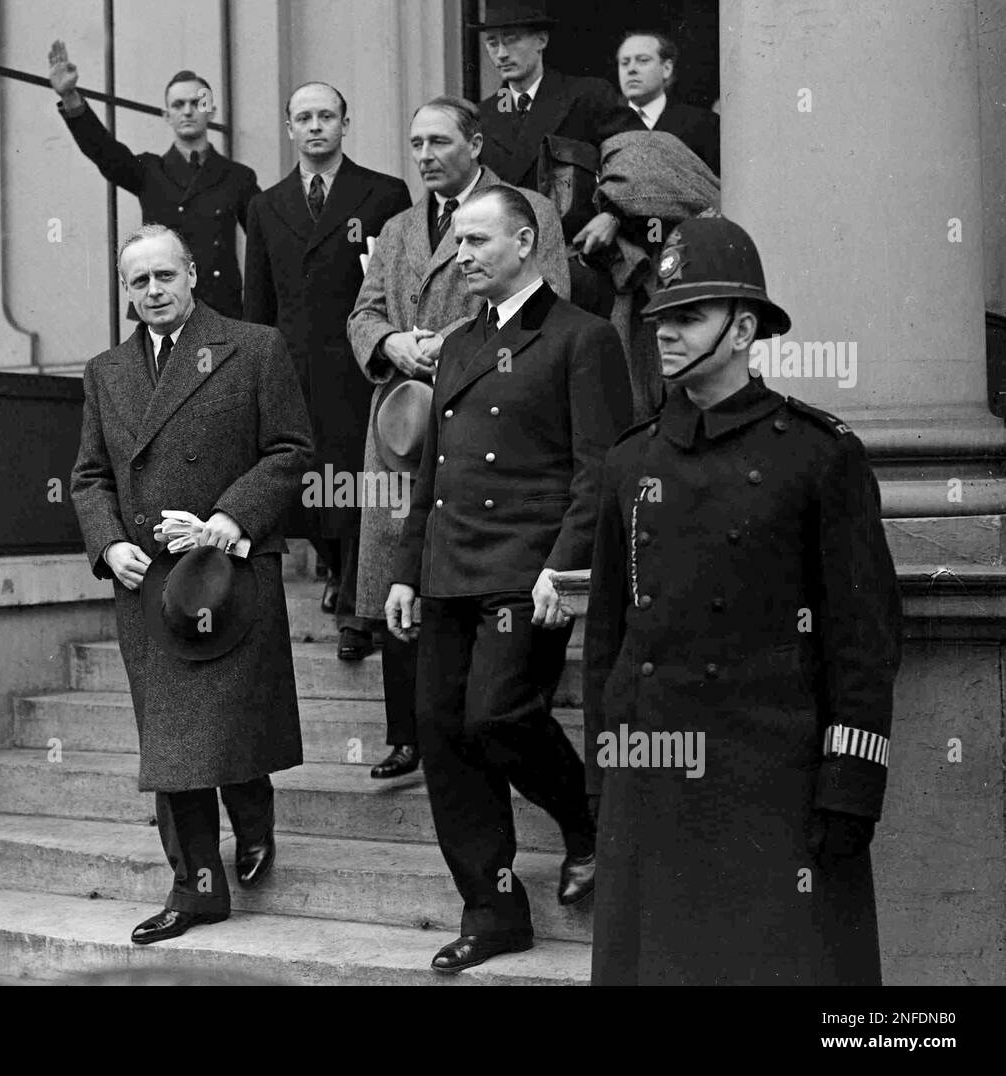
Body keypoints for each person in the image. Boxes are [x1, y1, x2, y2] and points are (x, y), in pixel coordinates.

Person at [582, 216, 902, 984]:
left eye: (689, 315)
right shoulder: (632, 460)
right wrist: (606, 771)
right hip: (652, 780)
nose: (665, 332)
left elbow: (862, 638)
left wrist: (850, 785)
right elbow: (607, 638)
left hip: (774, 788)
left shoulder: (819, 456)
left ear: (744, 327)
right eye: (661, 315)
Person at [386, 186, 633, 973]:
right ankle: (492, 909)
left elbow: (601, 468)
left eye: (478, 241)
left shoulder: (581, 338)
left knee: (496, 716)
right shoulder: (457, 344)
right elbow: (432, 470)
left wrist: (566, 567)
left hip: (530, 572)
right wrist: (402, 574)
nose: (462, 256)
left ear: (525, 242)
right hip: (451, 567)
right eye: (458, 242)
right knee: (442, 730)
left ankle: (586, 820)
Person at [70, 224, 312, 945]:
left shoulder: (254, 346)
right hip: (146, 581)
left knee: (231, 725)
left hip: (225, 569)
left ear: (193, 274)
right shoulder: (105, 372)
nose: (153, 292)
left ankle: (254, 816)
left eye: (164, 277)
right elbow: (89, 476)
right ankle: (197, 887)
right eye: (139, 282)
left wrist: (225, 517)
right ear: (126, 291)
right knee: (172, 747)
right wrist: (109, 544)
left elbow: (292, 450)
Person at [348, 95, 570, 781]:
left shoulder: (526, 211)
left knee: (449, 566)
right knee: (397, 560)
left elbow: (547, 296)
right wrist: (389, 342)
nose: (424, 156)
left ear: (476, 144)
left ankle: (476, 726)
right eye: (415, 144)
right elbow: (363, 310)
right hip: (400, 418)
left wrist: (442, 346)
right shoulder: (396, 228)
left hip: (485, 413)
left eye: (439, 142)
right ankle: (405, 733)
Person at [244, 83, 411, 660]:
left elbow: (401, 279)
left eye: (326, 116)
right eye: (303, 118)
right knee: (310, 476)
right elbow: (257, 303)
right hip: (294, 365)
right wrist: (255, 371)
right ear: (289, 128)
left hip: (362, 361)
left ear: (345, 123)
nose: (315, 126)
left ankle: (355, 612)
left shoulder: (385, 194)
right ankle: (337, 568)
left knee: (358, 474)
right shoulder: (266, 206)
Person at [48, 42, 259, 319]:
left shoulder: (238, 177)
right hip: (161, 309)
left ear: (212, 111)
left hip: (221, 312)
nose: (187, 111)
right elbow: (103, 150)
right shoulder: (149, 171)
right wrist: (71, 96)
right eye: (178, 105)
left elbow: (267, 236)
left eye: (197, 103)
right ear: (166, 115)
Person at [473, 1, 643, 263]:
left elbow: (638, 156)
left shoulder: (588, 96)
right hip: (509, 263)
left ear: (542, 39)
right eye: (492, 43)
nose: (501, 53)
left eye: (511, 40)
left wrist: (614, 217)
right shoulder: (482, 116)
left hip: (582, 257)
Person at [617, 30, 721, 175]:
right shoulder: (603, 124)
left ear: (666, 68)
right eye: (624, 63)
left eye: (643, 60)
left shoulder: (703, 124)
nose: (631, 69)